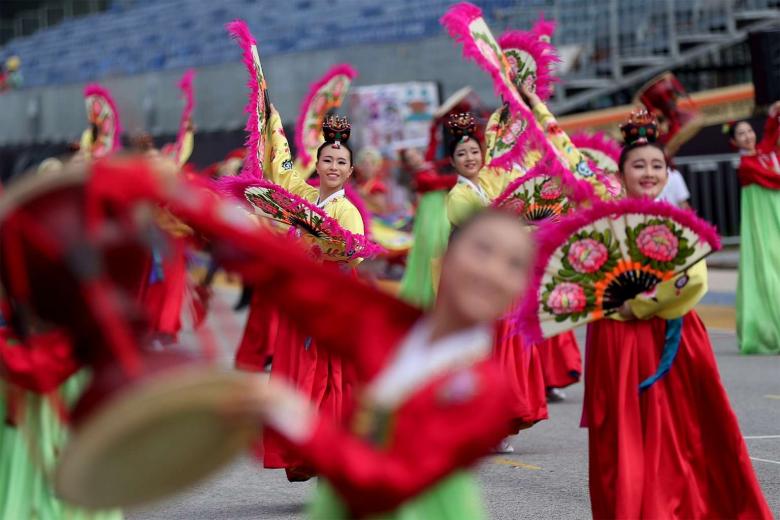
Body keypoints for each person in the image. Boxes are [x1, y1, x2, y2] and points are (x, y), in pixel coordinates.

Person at [234, 209, 534, 519]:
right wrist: (210, 210)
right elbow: (298, 284)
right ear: (445, 257)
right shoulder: (396, 329)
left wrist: (291, 417)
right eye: (483, 249)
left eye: (515, 264)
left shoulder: (485, 389)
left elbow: (387, 481)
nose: (493, 272)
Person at [582, 109, 772, 519]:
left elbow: (693, 279)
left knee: (681, 426)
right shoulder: (605, 221)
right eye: (638, 165)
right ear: (620, 174)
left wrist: (639, 304)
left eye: (657, 165)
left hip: (672, 334)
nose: (649, 173)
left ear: (668, 173)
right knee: (624, 430)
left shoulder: (678, 222)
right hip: (617, 338)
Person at [236, 107, 365, 481]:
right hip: (301, 300)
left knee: (327, 377)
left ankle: (327, 453)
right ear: (318, 165)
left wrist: (326, 247)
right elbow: (282, 170)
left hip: (331, 301)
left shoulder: (347, 211)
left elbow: (355, 253)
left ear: (350, 171)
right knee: (297, 376)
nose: (334, 167)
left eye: (341, 162)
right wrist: (270, 119)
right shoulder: (305, 199)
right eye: (328, 160)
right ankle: (305, 450)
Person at [728, 101, 780, 355]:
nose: (748, 136)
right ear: (734, 142)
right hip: (763, 221)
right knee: (769, 268)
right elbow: (773, 179)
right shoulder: (747, 164)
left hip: (775, 214)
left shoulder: (763, 152)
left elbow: (771, 135)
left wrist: (774, 113)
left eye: (749, 131)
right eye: (741, 134)